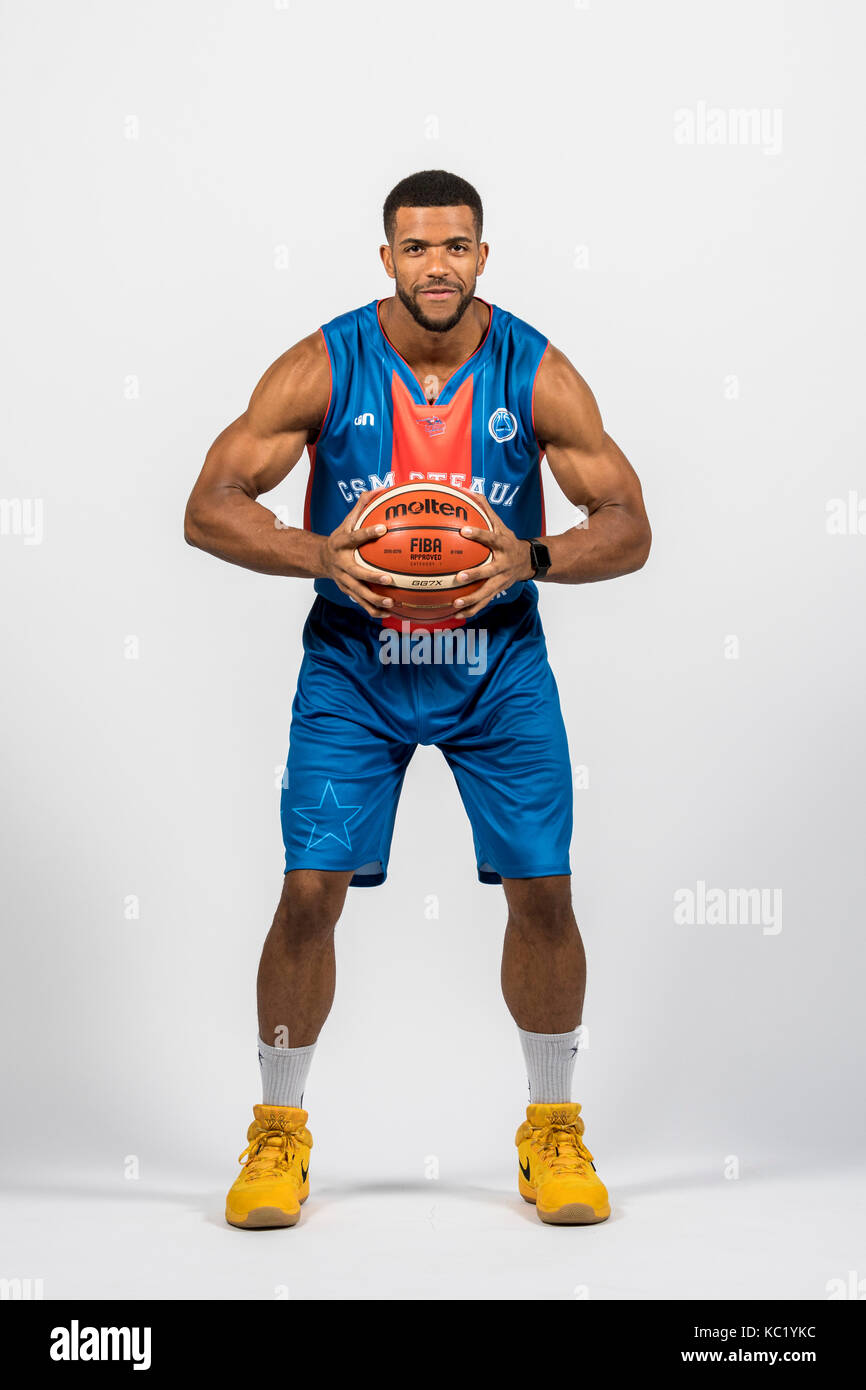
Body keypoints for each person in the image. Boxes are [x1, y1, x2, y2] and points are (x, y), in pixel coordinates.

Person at [184, 169, 651, 1229]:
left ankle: (551, 1130)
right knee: (309, 891)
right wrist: (314, 550)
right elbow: (207, 505)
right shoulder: (323, 364)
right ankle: (277, 1134)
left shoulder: (536, 373)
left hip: (497, 671)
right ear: (384, 257)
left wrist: (532, 552)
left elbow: (627, 520)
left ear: (482, 256)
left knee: (543, 895)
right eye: (413, 247)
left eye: (454, 247)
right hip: (355, 668)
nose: (434, 265)